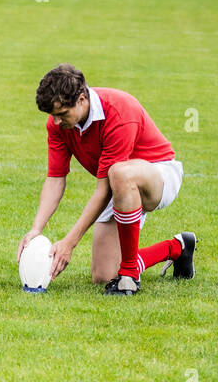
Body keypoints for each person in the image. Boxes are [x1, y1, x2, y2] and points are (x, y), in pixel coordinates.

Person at [19, 64, 196, 296]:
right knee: (104, 275)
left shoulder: (119, 111)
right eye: (53, 115)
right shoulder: (58, 125)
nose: (57, 122)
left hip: (158, 175)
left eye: (62, 114)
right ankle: (178, 247)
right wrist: (36, 229)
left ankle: (130, 276)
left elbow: (104, 189)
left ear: (82, 98)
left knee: (119, 173)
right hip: (119, 185)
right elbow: (55, 178)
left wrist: (69, 242)